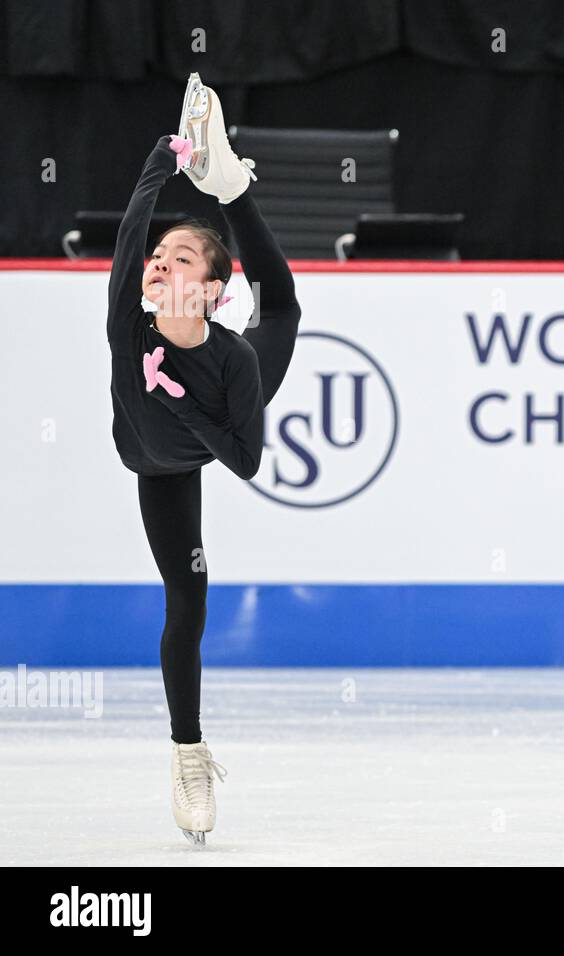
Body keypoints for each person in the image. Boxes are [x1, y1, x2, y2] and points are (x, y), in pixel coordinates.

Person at [106, 73, 302, 846]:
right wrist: (166, 153)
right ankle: (227, 183)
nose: (158, 262)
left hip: (214, 420)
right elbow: (130, 230)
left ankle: (187, 752)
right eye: (160, 255)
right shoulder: (129, 320)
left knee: (282, 308)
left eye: (181, 258)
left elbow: (247, 462)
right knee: (182, 600)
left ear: (216, 291)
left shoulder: (237, 364)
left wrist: (184, 400)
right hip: (150, 460)